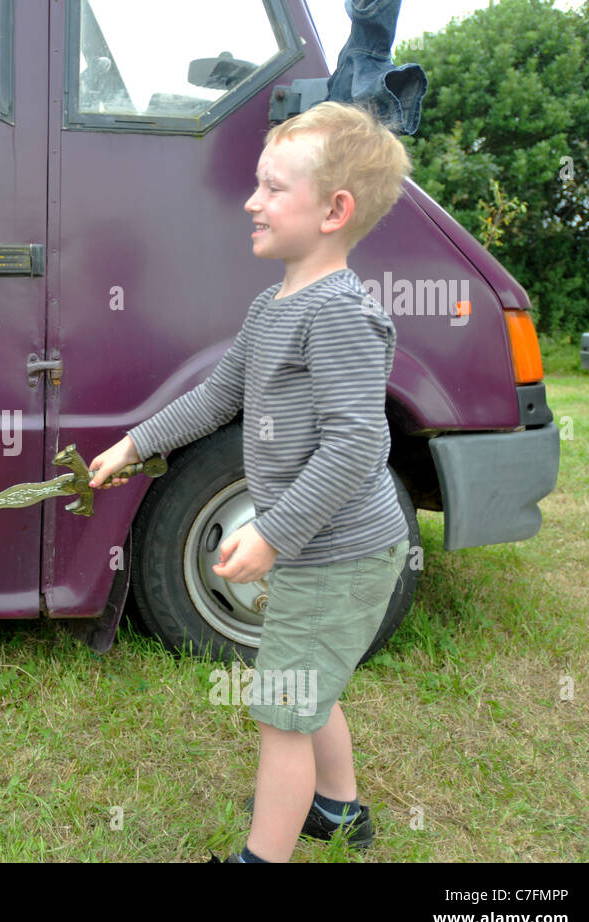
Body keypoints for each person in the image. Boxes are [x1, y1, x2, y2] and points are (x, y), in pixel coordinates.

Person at [88, 101, 412, 862]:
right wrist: (135, 442)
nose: (250, 202)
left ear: (335, 210)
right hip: (320, 552)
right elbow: (215, 396)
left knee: (282, 706)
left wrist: (272, 530)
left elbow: (356, 442)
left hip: (343, 553)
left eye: (272, 189)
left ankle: (260, 858)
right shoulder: (275, 306)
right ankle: (336, 812)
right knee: (305, 683)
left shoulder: (338, 314)